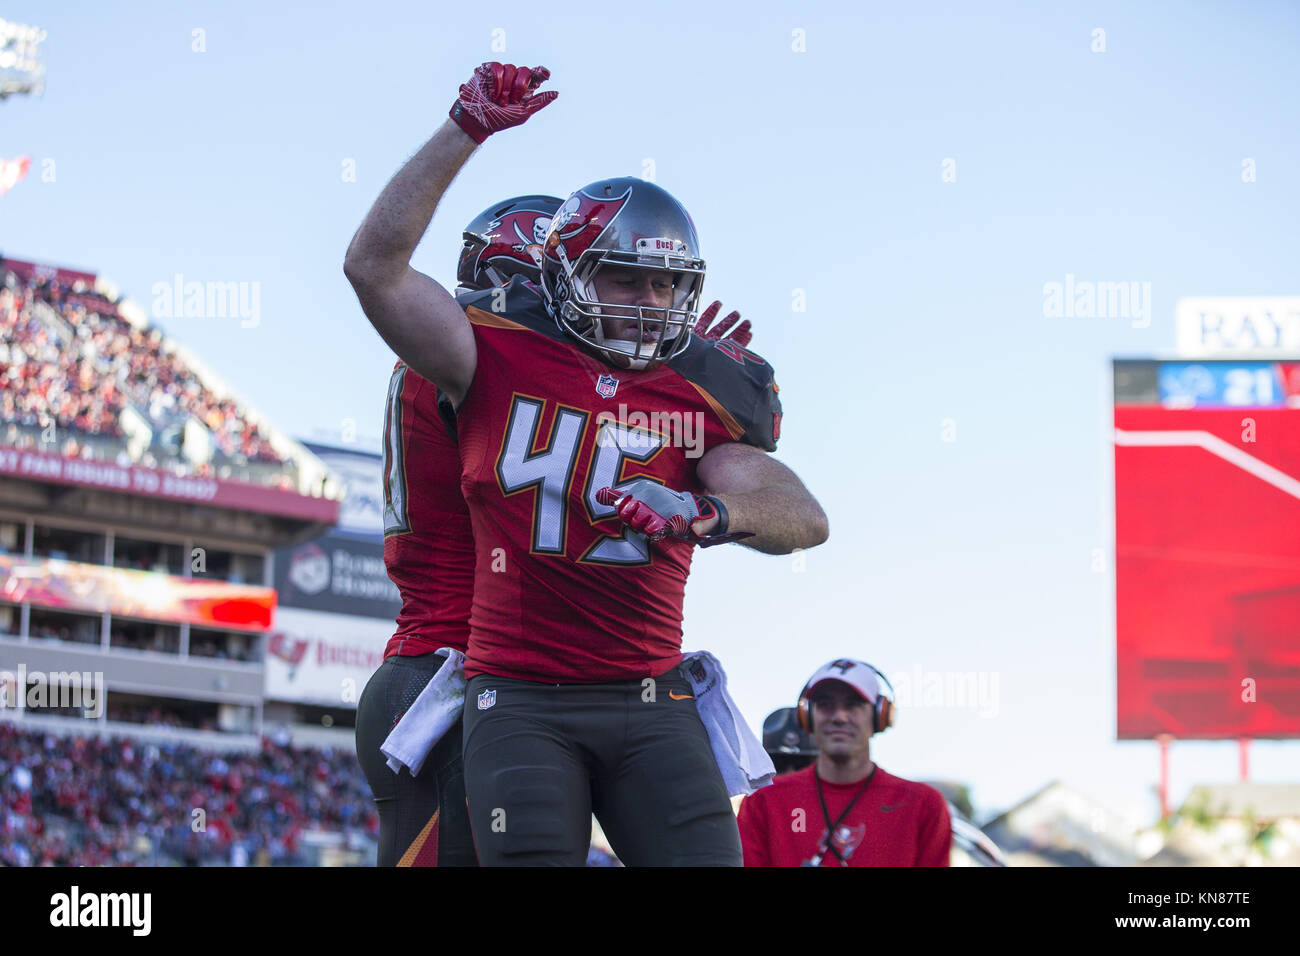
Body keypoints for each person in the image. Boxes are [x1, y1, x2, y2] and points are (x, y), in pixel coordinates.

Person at [344, 62, 828, 865]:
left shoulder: (692, 383)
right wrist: (463, 127)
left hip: (636, 688)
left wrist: (704, 500)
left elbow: (801, 513)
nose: (645, 301)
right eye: (623, 279)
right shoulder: (480, 356)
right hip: (483, 672)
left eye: (664, 285)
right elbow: (376, 270)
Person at [353, 192, 755, 866]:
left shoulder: (484, 372)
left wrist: (673, 375)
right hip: (456, 671)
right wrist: (673, 380)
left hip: (450, 670)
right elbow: (587, 450)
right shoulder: (473, 366)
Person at [737, 659, 951, 866]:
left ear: (880, 715)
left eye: (853, 704)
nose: (839, 716)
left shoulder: (922, 805)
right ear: (807, 716)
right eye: (825, 705)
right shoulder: (764, 803)